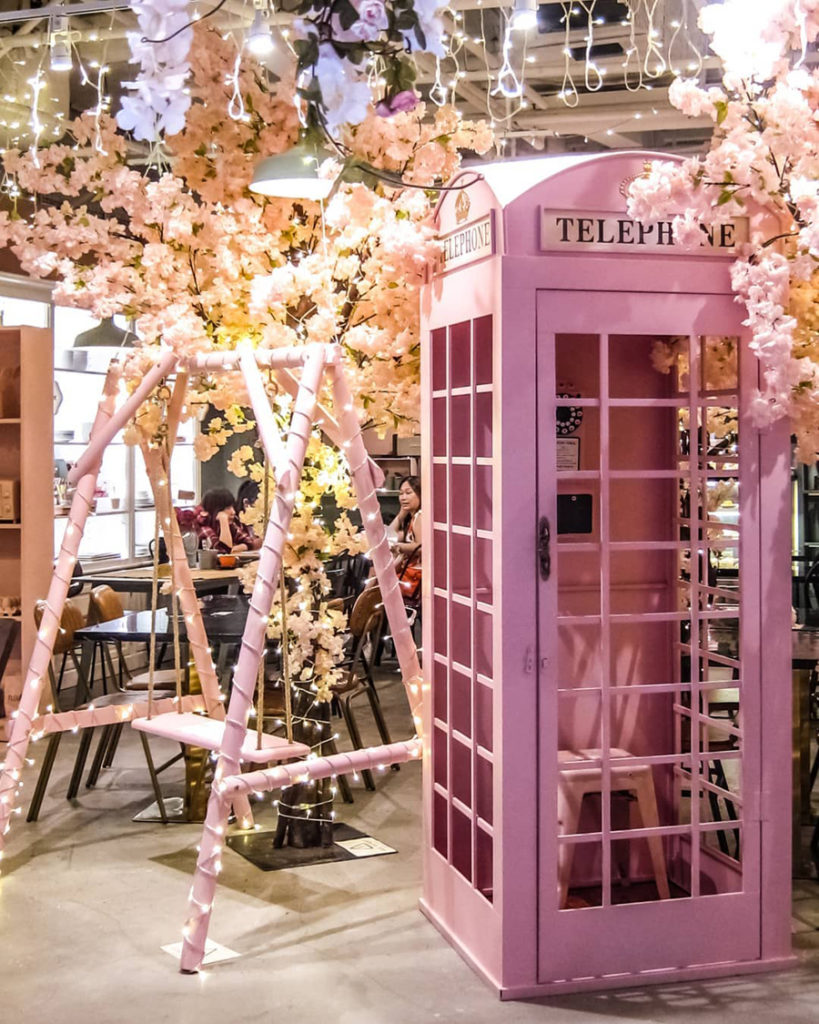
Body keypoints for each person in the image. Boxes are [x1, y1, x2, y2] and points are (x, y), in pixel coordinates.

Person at [192, 488, 261, 554]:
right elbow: (224, 552)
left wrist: (236, 548)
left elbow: (249, 542)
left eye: (232, 507)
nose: (233, 512)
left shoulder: (230, 525)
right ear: (216, 510)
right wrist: (223, 521)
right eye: (228, 508)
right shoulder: (203, 527)